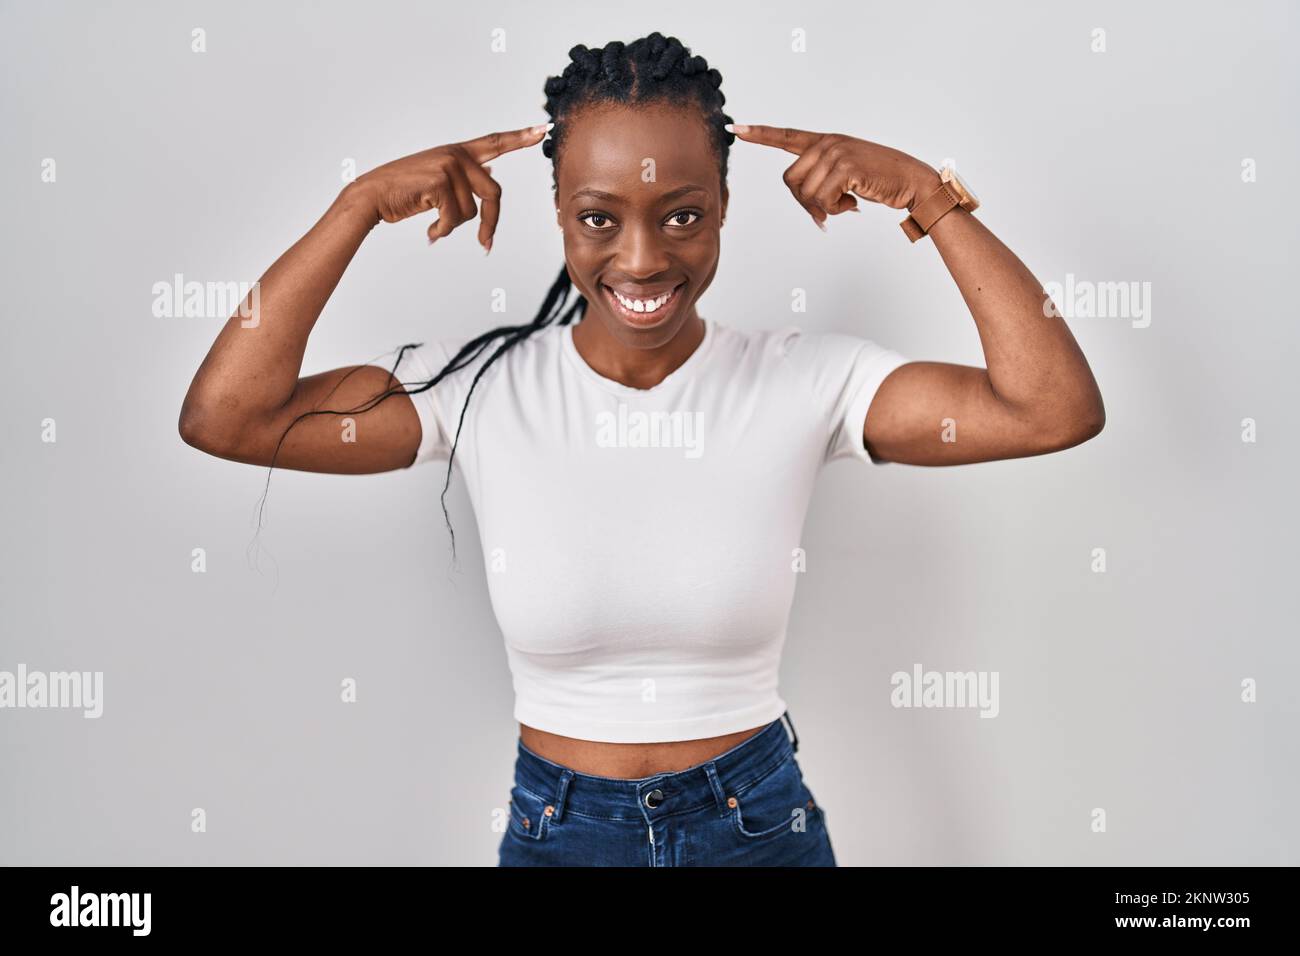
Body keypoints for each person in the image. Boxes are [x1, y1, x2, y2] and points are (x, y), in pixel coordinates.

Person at [178, 33, 1104, 866]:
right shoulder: (477, 387)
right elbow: (229, 417)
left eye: (681, 215)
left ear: (724, 207)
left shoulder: (805, 381)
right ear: (556, 211)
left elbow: (1050, 408)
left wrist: (929, 198)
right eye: (598, 217)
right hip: (559, 835)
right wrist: (356, 206)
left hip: (757, 830)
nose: (642, 258)